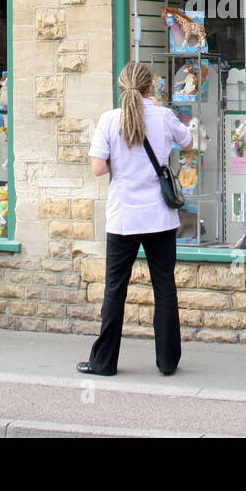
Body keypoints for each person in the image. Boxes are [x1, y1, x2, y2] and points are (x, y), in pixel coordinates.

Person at [79, 61, 194, 377]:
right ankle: (167, 361)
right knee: (164, 287)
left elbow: (98, 168)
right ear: (149, 88)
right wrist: (159, 107)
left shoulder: (109, 119)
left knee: (115, 289)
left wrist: (124, 169)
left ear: (121, 87)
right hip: (159, 216)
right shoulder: (163, 116)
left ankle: (104, 362)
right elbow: (190, 142)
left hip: (123, 217)